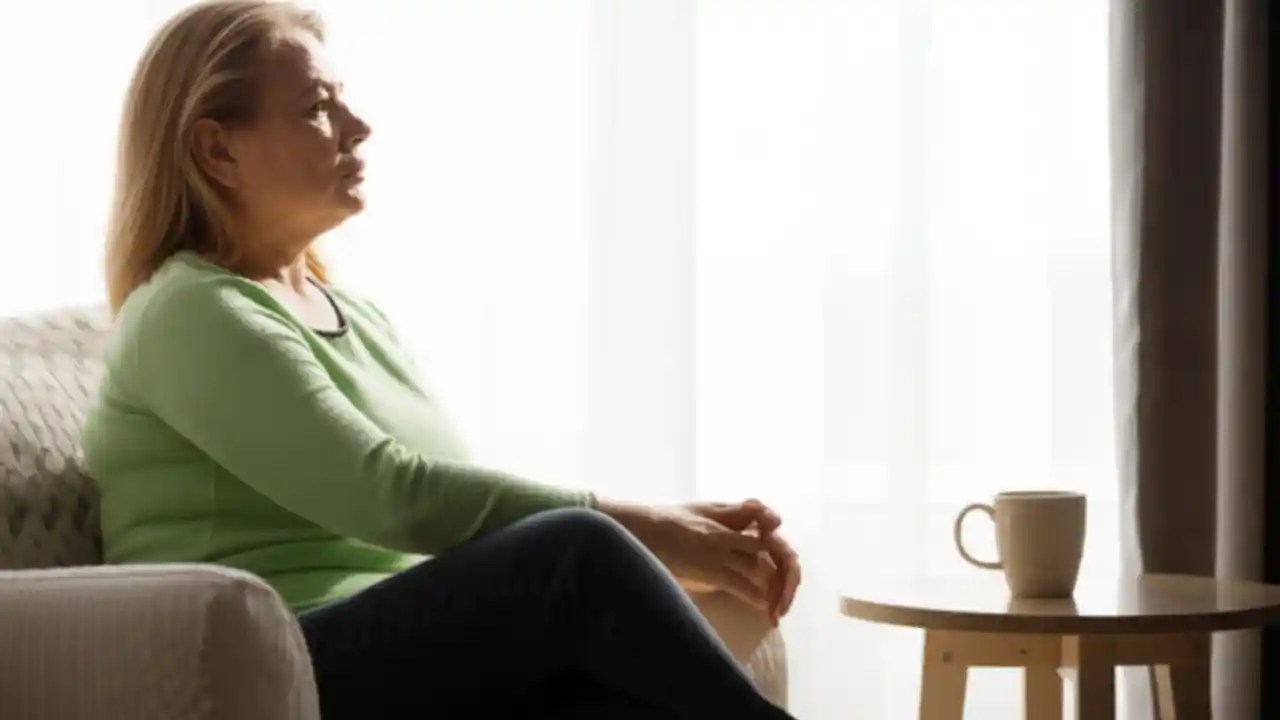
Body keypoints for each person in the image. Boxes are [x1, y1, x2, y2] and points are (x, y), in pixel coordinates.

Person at [80, 1, 801, 717]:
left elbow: (444, 525)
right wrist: (656, 531)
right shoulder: (192, 312)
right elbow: (390, 494)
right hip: (283, 664)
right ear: (217, 151)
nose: (358, 127)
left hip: (396, 650)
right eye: (316, 108)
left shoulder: (354, 315)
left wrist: (679, 555)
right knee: (574, 552)